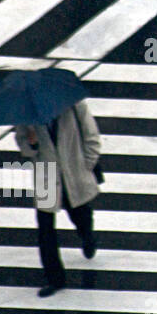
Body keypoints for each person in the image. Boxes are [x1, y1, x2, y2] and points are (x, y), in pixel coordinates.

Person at [14, 100, 102, 298]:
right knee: (45, 230)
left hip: (74, 170)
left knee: (80, 215)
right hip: (46, 176)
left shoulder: (73, 104)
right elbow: (25, 149)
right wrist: (31, 142)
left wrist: (85, 165)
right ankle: (55, 278)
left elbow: (91, 136)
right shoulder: (26, 114)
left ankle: (88, 236)